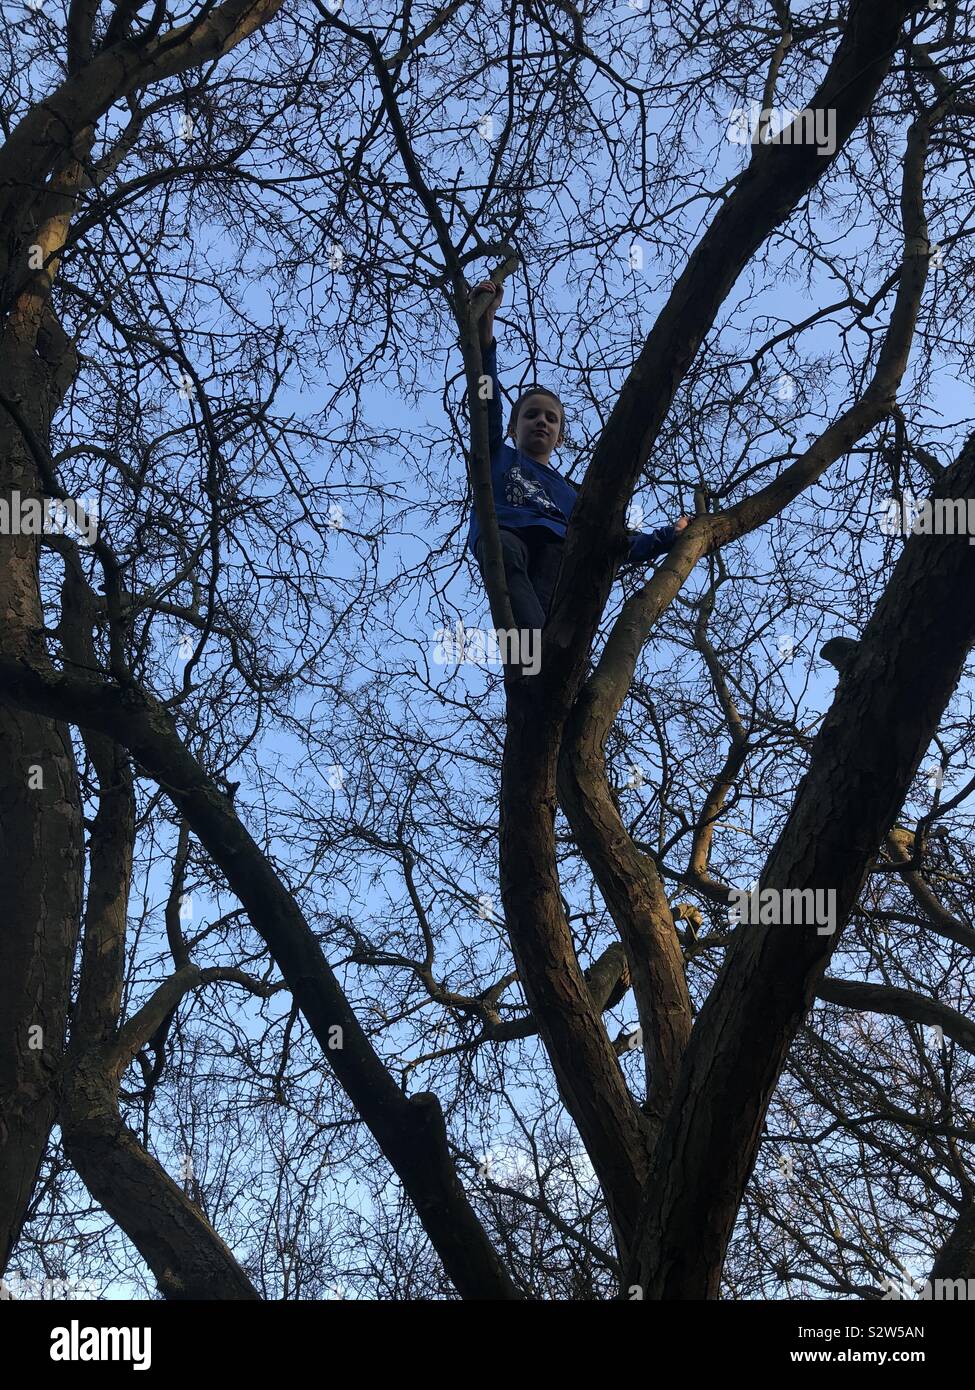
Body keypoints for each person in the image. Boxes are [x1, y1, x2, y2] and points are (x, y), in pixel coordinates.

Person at [467, 279, 688, 634]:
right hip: (506, 537)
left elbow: (615, 544)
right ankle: (531, 662)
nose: (541, 421)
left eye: (551, 419)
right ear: (512, 428)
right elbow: (486, 397)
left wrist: (671, 535)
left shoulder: (574, 495)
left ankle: (545, 671)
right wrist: (485, 332)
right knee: (509, 570)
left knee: (555, 622)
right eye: (531, 415)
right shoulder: (495, 453)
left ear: (560, 437)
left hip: (558, 553)